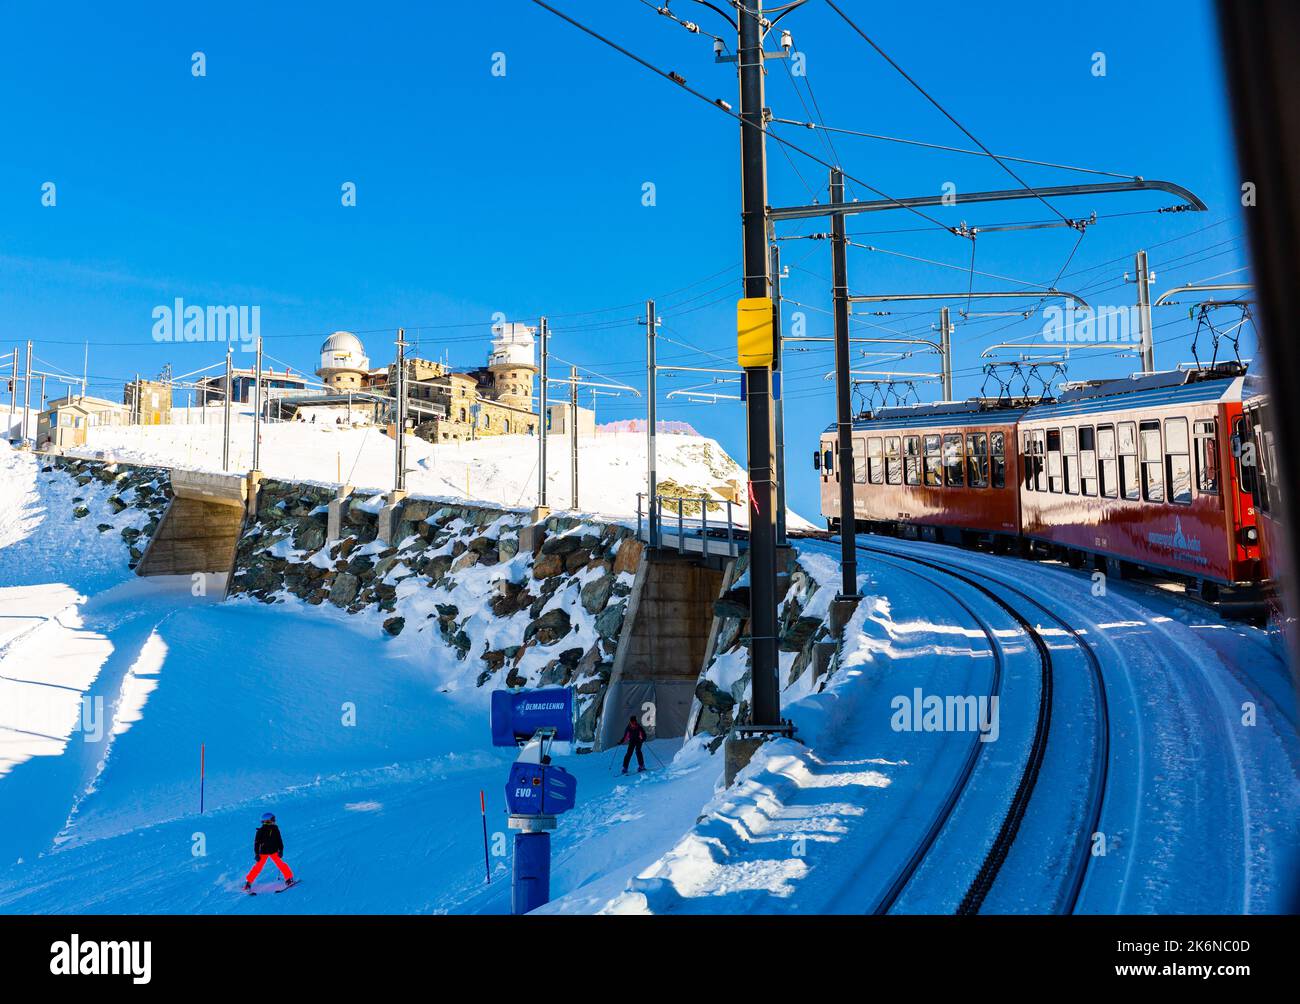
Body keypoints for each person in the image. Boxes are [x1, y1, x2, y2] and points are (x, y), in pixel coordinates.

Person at [243, 812, 295, 890]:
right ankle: (248, 883)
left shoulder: (275, 829)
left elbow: (279, 840)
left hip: (274, 851)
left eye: (274, 819)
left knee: (281, 864)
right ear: (267, 821)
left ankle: (289, 878)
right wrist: (257, 854)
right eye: (273, 819)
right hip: (263, 852)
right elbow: (256, 843)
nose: (274, 821)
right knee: (258, 867)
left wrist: (281, 850)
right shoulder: (260, 831)